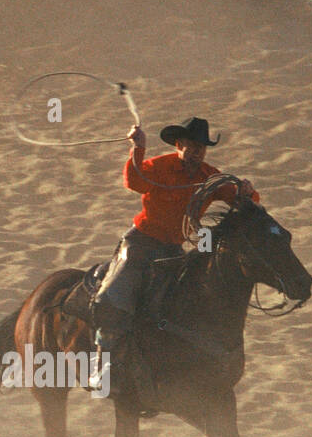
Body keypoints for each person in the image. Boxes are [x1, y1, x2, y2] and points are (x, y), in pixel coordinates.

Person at [91, 116, 258, 392]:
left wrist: (249, 193)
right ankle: (102, 364)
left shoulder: (210, 177)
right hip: (142, 242)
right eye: (191, 147)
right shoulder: (159, 167)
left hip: (173, 248)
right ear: (179, 145)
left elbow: (243, 200)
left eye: (201, 149)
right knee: (114, 295)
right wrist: (138, 148)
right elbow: (134, 181)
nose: (196, 153)